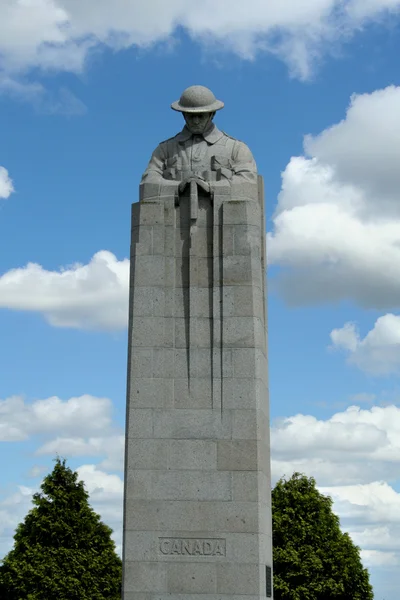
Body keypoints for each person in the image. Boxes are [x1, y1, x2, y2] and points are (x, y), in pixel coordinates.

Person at [141, 85, 257, 194]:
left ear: (212, 114)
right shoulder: (165, 149)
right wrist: (178, 187)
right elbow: (148, 183)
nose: (196, 121)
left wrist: (211, 188)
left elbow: (248, 183)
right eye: (191, 116)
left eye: (201, 116)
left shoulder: (236, 148)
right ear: (183, 115)